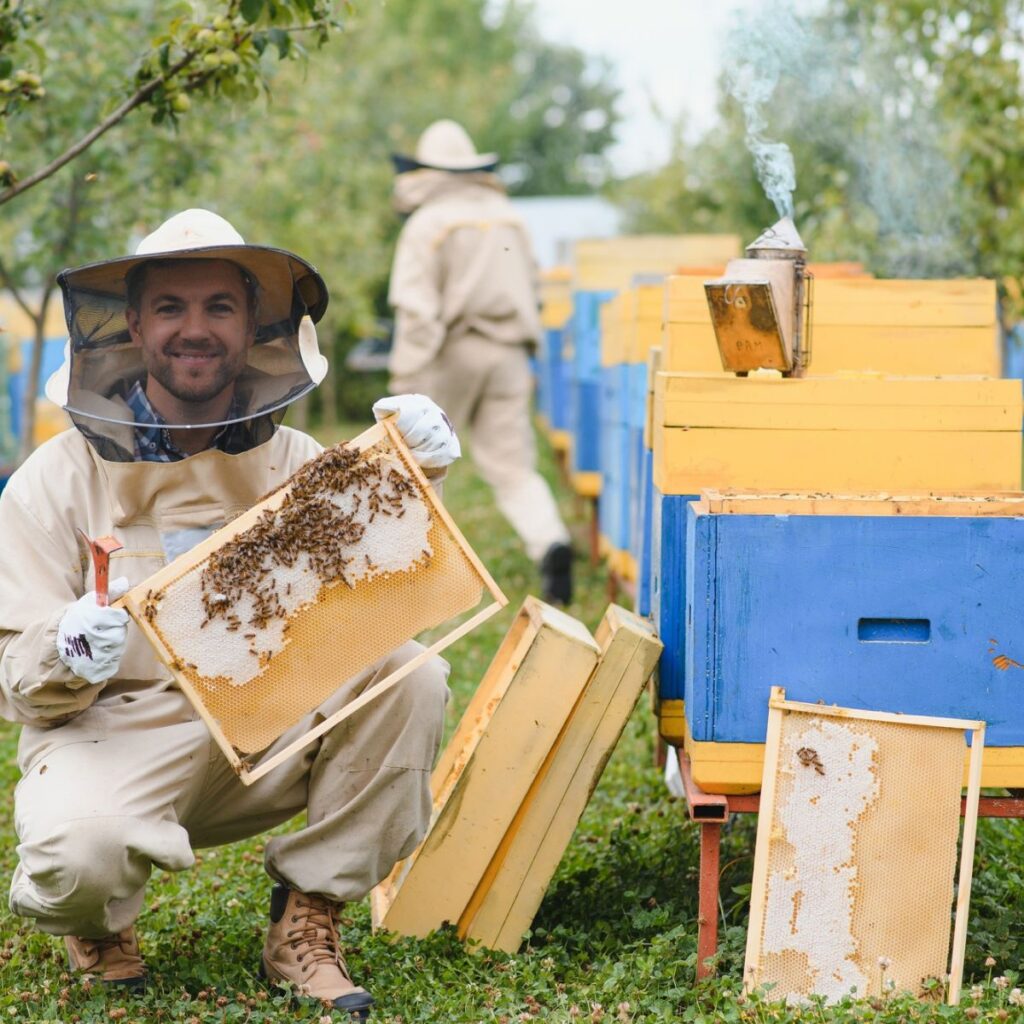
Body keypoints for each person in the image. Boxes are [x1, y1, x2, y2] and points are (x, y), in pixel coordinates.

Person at [0, 209, 462, 1021]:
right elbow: (16, 674)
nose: (195, 328)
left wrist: (413, 470)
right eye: (171, 307)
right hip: (118, 731)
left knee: (412, 679)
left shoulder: (292, 460)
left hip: (264, 722)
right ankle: (96, 924)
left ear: (255, 327)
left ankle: (307, 917)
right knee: (77, 858)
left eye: (220, 306)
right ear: (134, 324)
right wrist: (64, 647)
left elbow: (376, 588)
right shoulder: (54, 479)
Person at [387, 119, 574, 605]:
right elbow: (535, 288)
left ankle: (404, 569)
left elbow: (417, 310)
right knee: (513, 465)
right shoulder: (510, 216)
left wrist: (404, 383)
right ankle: (550, 542)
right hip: (510, 354)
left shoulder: (427, 223)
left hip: (454, 352)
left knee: (411, 462)